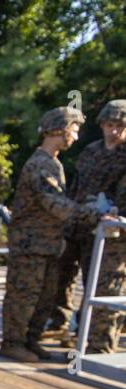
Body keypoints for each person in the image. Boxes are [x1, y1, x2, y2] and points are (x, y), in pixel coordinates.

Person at [0, 106, 103, 362]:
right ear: (59, 129)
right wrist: (94, 213)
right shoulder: (40, 164)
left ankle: (30, 340)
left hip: (47, 245)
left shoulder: (53, 163)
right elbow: (55, 204)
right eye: (74, 129)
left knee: (44, 298)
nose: (76, 136)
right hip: (30, 246)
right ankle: (13, 343)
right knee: (23, 297)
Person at [48, 99, 126, 343]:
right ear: (102, 124)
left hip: (106, 229)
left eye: (121, 126)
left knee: (97, 282)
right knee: (62, 273)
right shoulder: (91, 150)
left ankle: (87, 333)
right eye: (110, 125)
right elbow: (77, 185)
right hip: (78, 222)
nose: (115, 131)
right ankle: (60, 322)